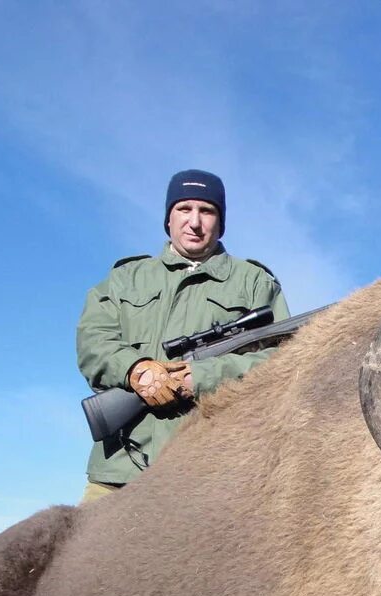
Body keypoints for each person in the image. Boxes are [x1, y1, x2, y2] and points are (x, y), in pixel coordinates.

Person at [76, 169, 288, 502]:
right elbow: (93, 341)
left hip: (213, 475)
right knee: (85, 553)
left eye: (207, 211)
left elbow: (283, 360)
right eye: (184, 209)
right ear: (168, 219)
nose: (195, 222)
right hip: (120, 472)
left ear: (220, 221)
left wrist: (201, 377)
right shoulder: (125, 278)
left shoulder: (255, 282)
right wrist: (136, 370)